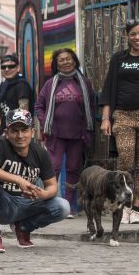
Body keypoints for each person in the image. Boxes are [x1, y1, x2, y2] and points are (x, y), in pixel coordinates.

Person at [100, 18, 139, 224]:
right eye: (133, 34)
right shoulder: (118, 58)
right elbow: (109, 88)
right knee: (126, 160)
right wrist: (105, 118)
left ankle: (136, 209)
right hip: (124, 115)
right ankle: (124, 204)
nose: (137, 37)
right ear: (126, 36)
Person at [0, 108, 70, 253]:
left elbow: (52, 185)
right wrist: (18, 180)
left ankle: (23, 228)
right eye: (15, 130)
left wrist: (43, 195)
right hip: (3, 205)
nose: (20, 135)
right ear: (7, 133)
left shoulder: (40, 153)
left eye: (24, 130)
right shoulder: (0, 145)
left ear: (32, 132)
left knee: (63, 206)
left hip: (28, 205)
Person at [34, 48, 96, 217]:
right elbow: (39, 106)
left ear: (74, 60)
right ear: (56, 64)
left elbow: (91, 107)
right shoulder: (50, 84)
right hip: (55, 135)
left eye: (68, 59)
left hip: (77, 134)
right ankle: (50, 204)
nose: (66, 62)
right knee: (53, 169)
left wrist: (86, 131)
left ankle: (68, 206)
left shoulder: (84, 83)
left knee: (73, 169)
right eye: (61, 60)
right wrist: (45, 120)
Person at [0, 54, 34, 137]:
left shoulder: (21, 85)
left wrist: (17, 132)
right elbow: (1, 107)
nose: (7, 69)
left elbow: (24, 110)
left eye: (11, 66)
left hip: (17, 132)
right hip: (5, 131)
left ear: (18, 68)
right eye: (3, 67)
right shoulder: (3, 85)